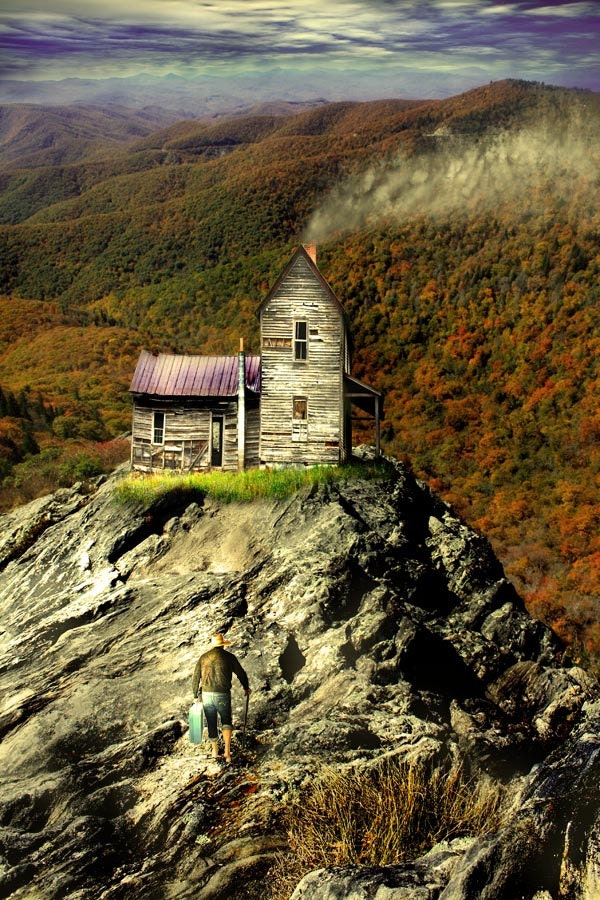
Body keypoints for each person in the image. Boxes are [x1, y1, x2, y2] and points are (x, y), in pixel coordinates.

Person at [192, 633, 251, 764]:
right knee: (226, 721)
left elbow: (196, 677)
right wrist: (246, 688)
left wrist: (195, 695)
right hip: (223, 694)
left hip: (207, 695)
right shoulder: (229, 657)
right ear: (223, 645)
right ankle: (227, 753)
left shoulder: (203, 657)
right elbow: (241, 673)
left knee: (212, 722)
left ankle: (215, 751)